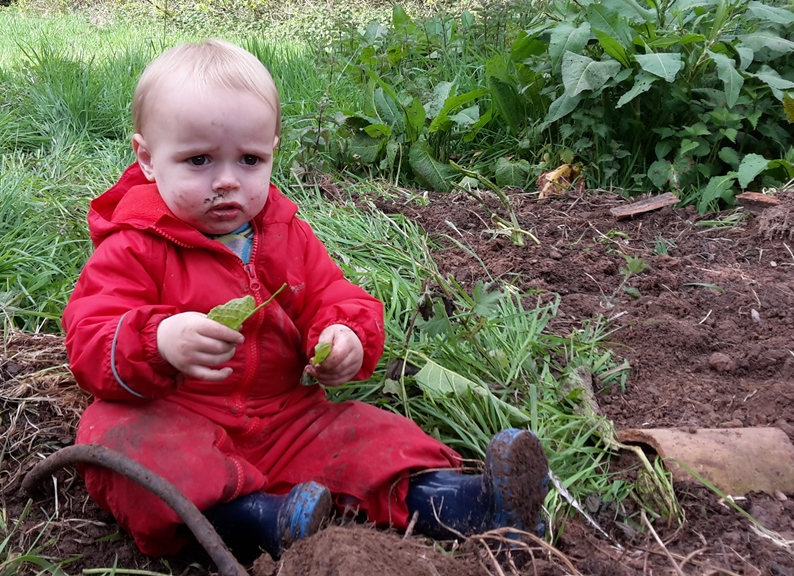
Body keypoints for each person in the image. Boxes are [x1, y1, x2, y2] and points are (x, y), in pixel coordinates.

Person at [62, 39, 550, 561]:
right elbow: (90, 338)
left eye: (250, 160)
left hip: (284, 420)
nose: (227, 181)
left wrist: (344, 335)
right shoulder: (134, 244)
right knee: (119, 443)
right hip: (175, 417)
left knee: (368, 438)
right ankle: (259, 523)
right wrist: (157, 341)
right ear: (148, 159)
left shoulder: (281, 234)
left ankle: (467, 504)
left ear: (273, 150)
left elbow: (332, 294)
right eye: (199, 160)